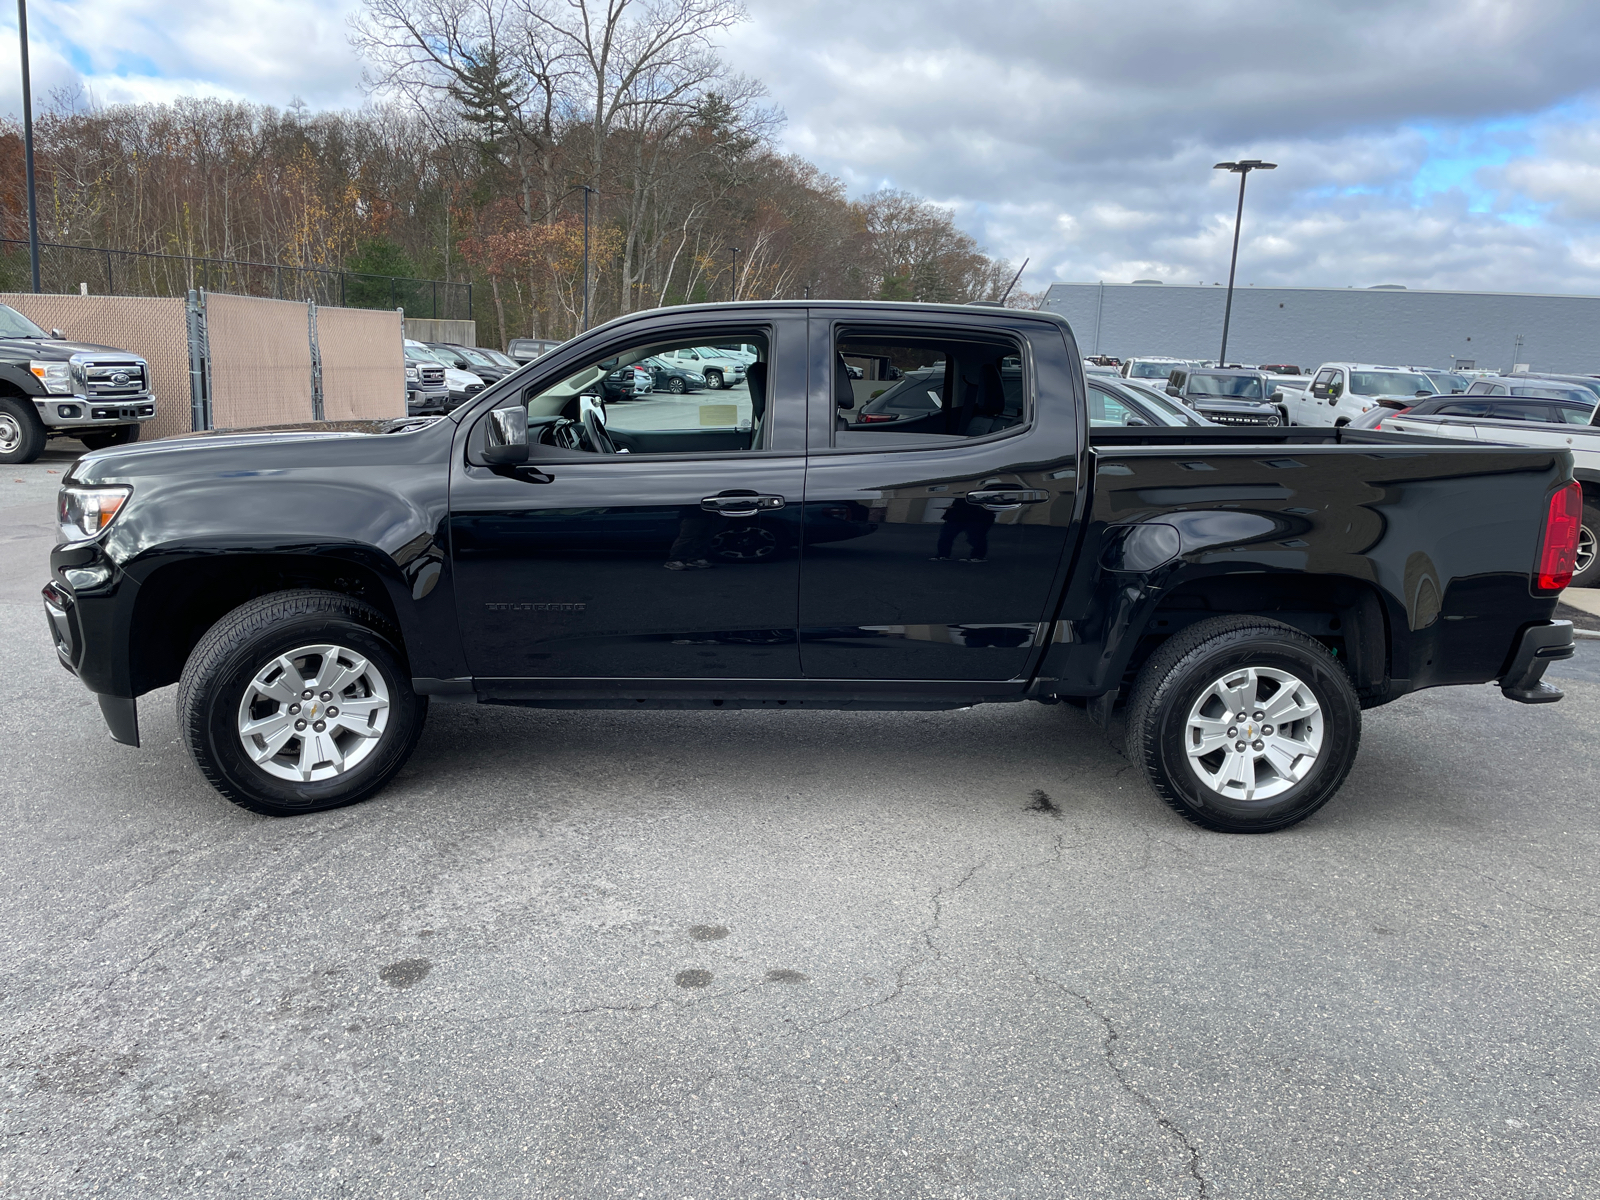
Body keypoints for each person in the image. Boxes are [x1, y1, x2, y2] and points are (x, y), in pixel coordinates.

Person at [931, 495, 995, 562]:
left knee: (975, 536)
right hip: (961, 514)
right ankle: (943, 555)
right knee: (947, 535)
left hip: (972, 514)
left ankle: (978, 556)